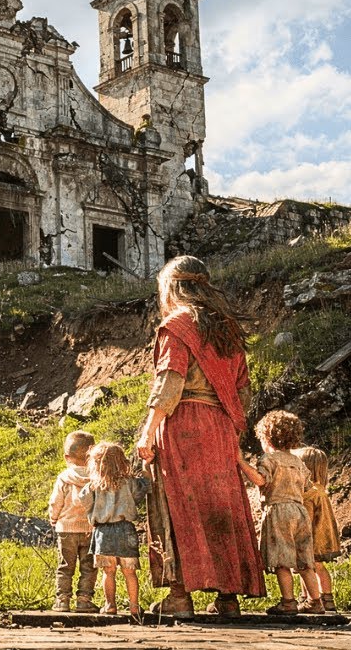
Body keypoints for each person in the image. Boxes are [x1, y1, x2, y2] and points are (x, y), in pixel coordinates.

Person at [135, 256, 266, 618]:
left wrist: (148, 432)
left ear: (172, 287)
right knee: (222, 508)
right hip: (220, 426)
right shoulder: (227, 329)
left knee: (178, 506)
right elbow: (242, 391)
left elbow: (169, 382)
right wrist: (233, 434)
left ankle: (180, 597)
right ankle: (228, 599)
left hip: (183, 423)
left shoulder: (176, 326)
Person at [236, 410, 325, 615]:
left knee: (281, 559)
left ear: (267, 438)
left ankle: (288, 602)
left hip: (278, 510)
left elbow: (261, 480)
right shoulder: (297, 461)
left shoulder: (270, 459)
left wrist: (241, 462)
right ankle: (315, 601)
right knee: (304, 560)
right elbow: (306, 487)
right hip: (299, 510)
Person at [76, 442, 149, 622]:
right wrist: (146, 466)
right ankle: (134, 606)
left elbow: (82, 499)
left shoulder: (94, 485)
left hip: (103, 532)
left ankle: (110, 605)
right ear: (122, 461)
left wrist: (95, 512)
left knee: (108, 572)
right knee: (130, 572)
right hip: (125, 529)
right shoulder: (129, 482)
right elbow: (143, 489)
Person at [47, 430, 98, 613]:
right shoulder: (96, 477)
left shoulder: (64, 478)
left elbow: (55, 502)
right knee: (89, 567)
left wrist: (54, 517)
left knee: (65, 566)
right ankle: (84, 600)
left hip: (66, 529)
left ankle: (62, 600)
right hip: (90, 530)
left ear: (66, 456)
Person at [293, 443, 341, 611]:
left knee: (309, 567)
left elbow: (306, 516)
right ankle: (323, 599)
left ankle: (316, 598)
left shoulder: (309, 493)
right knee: (314, 567)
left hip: (312, 537)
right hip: (322, 535)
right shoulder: (320, 490)